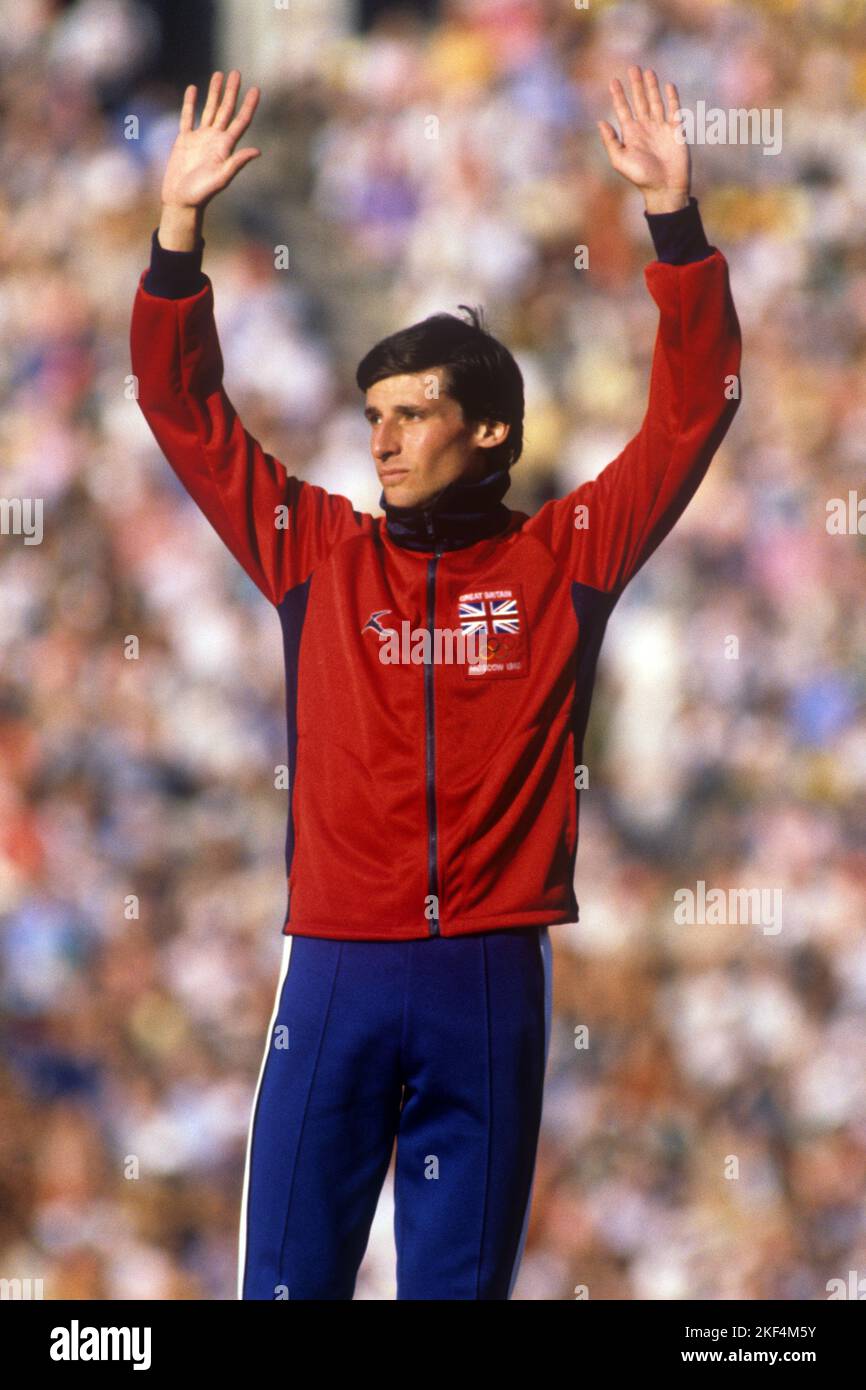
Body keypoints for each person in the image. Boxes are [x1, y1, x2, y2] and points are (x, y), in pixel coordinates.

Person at [130, 65, 742, 1300]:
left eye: (416, 412)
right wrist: (176, 243)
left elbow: (690, 414)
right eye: (373, 414)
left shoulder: (560, 559)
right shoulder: (317, 552)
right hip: (336, 967)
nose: (383, 439)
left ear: (492, 432)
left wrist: (674, 227)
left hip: (488, 976)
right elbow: (181, 406)